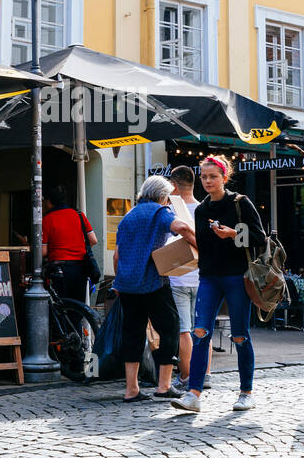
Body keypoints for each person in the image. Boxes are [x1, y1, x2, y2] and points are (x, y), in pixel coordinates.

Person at [172, 154, 267, 413]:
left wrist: (233, 234)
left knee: (239, 335)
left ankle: (246, 392)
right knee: (200, 332)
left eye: (213, 176)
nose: (208, 181)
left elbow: (260, 238)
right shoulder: (202, 210)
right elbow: (201, 245)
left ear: (224, 177)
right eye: (204, 176)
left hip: (237, 277)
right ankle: (193, 394)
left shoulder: (240, 203)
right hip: (209, 277)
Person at [111, 175, 195, 402]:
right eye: (167, 197)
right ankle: (163, 386)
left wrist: (118, 282)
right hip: (153, 283)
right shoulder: (160, 212)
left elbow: (117, 255)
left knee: (132, 333)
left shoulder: (128, 216)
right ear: (162, 195)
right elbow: (182, 227)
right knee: (169, 328)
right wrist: (200, 246)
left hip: (127, 285)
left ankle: (131, 390)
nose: (168, 201)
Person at [167, 165, 211, 392]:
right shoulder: (205, 209)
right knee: (203, 327)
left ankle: (185, 376)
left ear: (174, 185)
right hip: (204, 277)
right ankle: (206, 375)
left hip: (179, 278)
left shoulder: (171, 210)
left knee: (184, 329)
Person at [42, 185, 97, 304]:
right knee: (78, 306)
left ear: (49, 201)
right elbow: (93, 240)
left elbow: (43, 252)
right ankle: (76, 323)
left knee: (61, 306)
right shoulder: (79, 214)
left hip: (59, 269)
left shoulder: (47, 219)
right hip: (80, 268)